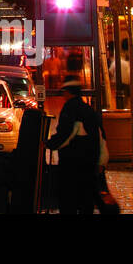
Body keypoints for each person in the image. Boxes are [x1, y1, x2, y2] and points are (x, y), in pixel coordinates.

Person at [46, 76, 102, 213]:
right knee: (85, 199)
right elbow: (100, 136)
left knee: (68, 198)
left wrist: (50, 144)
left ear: (69, 92)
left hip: (72, 162)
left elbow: (67, 133)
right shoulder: (88, 110)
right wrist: (101, 161)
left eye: (64, 91)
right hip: (89, 162)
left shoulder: (70, 109)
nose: (63, 95)